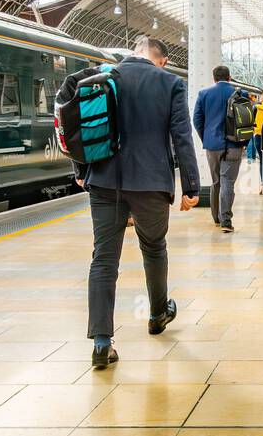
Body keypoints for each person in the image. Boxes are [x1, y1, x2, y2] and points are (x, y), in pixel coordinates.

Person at [85, 35, 200, 369]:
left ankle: (102, 342)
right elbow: (181, 136)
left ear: (134, 53)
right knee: (153, 247)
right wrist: (191, 185)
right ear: (161, 60)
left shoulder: (103, 76)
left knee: (103, 260)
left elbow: (81, 122)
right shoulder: (170, 83)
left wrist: (82, 170)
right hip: (151, 181)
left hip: (104, 179)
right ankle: (157, 313)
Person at [192, 65, 242, 233]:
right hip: (234, 145)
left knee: (216, 181)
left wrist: (206, 136)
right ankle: (226, 220)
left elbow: (197, 119)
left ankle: (216, 216)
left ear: (214, 78)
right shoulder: (240, 94)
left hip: (212, 145)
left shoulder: (204, 94)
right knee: (228, 182)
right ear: (229, 78)